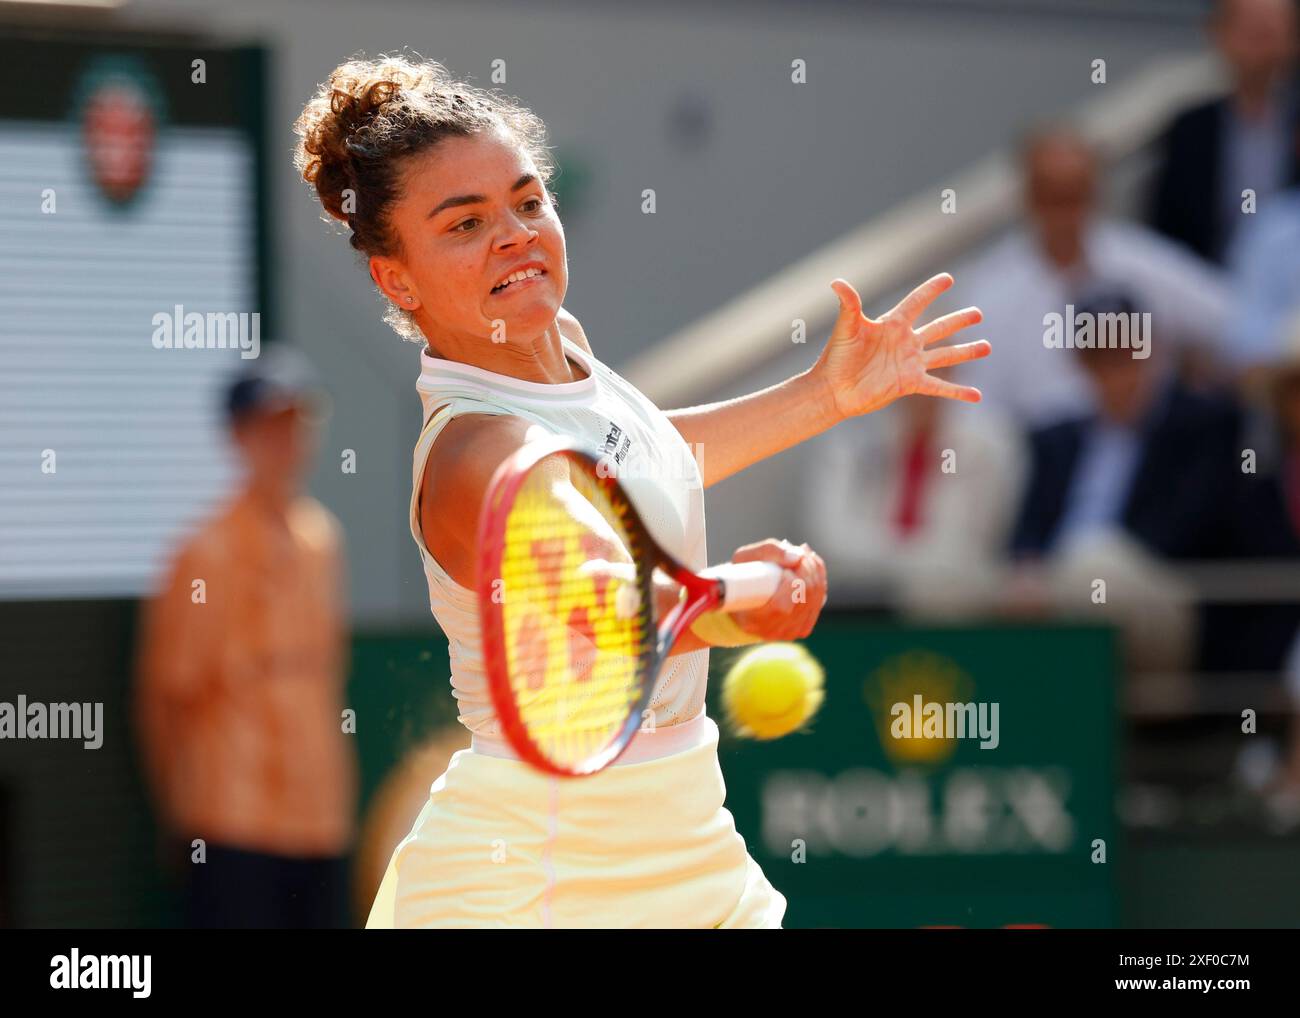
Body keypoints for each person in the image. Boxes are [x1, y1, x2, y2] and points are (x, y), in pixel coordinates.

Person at [292, 55, 989, 928]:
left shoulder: (561, 347)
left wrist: (825, 396)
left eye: (527, 200)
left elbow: (643, 458)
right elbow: (614, 602)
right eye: (465, 224)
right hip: (535, 877)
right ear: (396, 279)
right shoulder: (479, 450)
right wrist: (745, 597)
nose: (516, 234)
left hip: (689, 830)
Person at [134, 347, 356, 928]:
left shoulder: (321, 541)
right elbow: (165, 698)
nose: (286, 440)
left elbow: (327, 678)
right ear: (236, 436)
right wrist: (178, 819)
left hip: (321, 823)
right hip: (234, 823)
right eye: (268, 425)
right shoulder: (204, 554)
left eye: (296, 421)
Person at [948, 129, 1227, 430]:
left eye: (1077, 196)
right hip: (1039, 460)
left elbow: (1232, 322)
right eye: (1053, 198)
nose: (1066, 215)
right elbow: (976, 411)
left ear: (1096, 195)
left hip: (1146, 453)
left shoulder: (1142, 263)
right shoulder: (991, 292)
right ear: (1029, 199)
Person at [1148, 0, 1300, 265]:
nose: (1259, 45)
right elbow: (1164, 232)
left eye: (1269, 30)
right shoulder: (1189, 130)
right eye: (1249, 30)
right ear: (1218, 34)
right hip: (1204, 285)